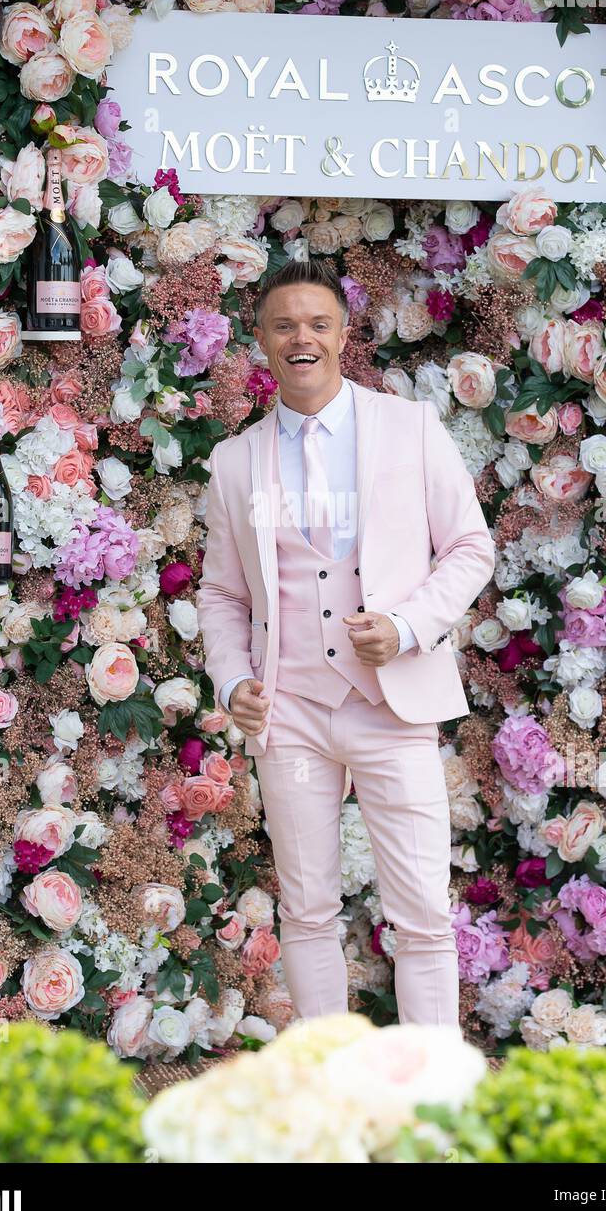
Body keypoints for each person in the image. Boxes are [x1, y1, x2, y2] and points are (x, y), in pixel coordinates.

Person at [195, 258, 496, 1027]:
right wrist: (233, 683)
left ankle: (433, 1096)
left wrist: (404, 626)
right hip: (290, 710)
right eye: (285, 325)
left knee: (424, 911)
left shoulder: (410, 428)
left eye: (318, 323)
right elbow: (224, 593)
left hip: (391, 707)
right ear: (260, 341)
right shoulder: (234, 462)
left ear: (343, 334)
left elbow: (469, 547)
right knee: (306, 909)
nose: (303, 338)